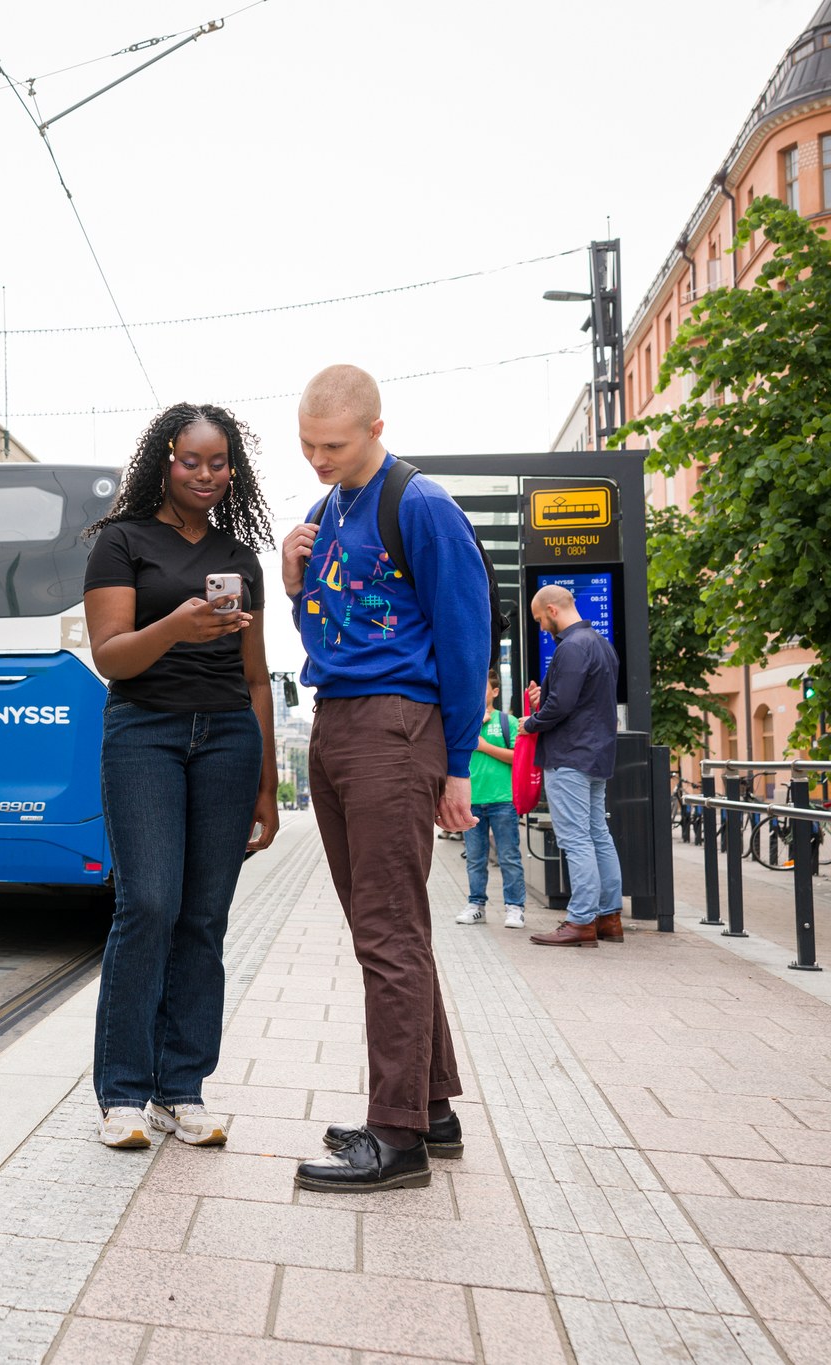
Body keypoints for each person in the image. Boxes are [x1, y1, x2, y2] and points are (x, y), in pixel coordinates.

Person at [279, 365, 490, 1193]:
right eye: (306, 443)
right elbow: (325, 628)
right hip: (337, 719)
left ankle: (394, 1138)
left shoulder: (422, 506)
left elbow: (467, 639)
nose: (317, 459)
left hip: (397, 725)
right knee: (388, 924)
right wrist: (294, 584)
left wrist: (461, 765)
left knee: (387, 932)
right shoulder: (322, 511)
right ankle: (429, 1109)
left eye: (331, 445)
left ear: (374, 428)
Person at [82, 402, 279, 1151]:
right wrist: (177, 626)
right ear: (164, 459)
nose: (207, 474)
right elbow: (112, 655)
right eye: (192, 460)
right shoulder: (121, 542)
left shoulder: (242, 554)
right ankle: (123, 1092)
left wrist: (265, 785)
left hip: (228, 735)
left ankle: (182, 1088)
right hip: (146, 733)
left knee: (204, 916)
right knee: (150, 903)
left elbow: (257, 677)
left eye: (219, 461)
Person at [522, 584, 623, 947]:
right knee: (598, 835)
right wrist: (542, 696)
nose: (541, 628)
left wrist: (529, 722)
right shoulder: (601, 644)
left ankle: (580, 921)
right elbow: (581, 700)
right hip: (596, 754)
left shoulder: (571, 647)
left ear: (551, 610)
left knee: (576, 839)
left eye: (538, 620)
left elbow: (562, 706)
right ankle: (609, 917)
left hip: (569, 755)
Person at [459, 673, 526, 929]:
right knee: (475, 858)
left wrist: (485, 746)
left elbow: (518, 757)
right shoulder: (465, 721)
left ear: (495, 692)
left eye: (484, 686)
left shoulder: (507, 721)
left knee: (509, 856)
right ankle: (476, 905)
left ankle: (515, 907)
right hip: (472, 799)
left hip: (502, 800)